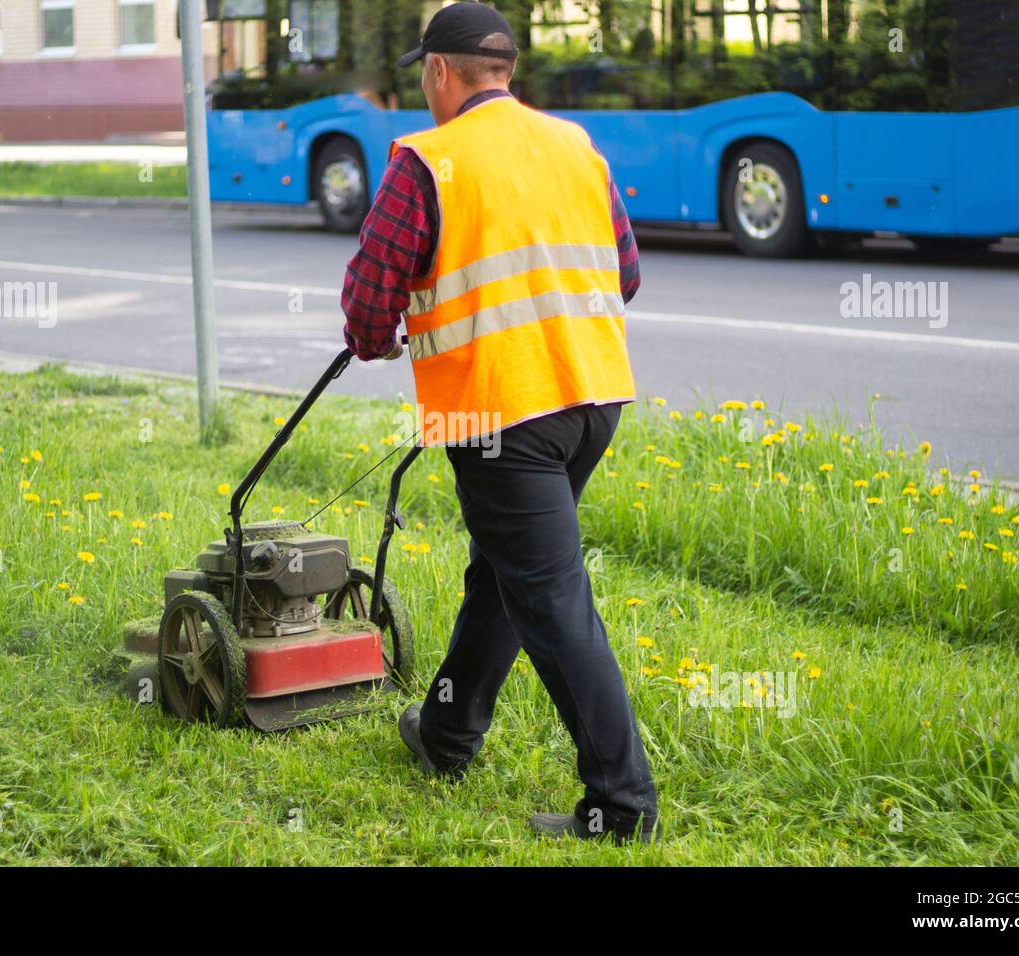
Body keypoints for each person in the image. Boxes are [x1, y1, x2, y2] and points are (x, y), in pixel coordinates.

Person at [340, 2, 658, 844]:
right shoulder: (574, 147)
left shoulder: (428, 161)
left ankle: (620, 808)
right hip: (593, 400)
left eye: (423, 74)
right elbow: (624, 274)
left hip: (503, 415)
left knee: (550, 601)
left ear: (441, 73)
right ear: (506, 70)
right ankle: (446, 733)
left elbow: (372, 294)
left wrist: (374, 340)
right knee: (506, 576)